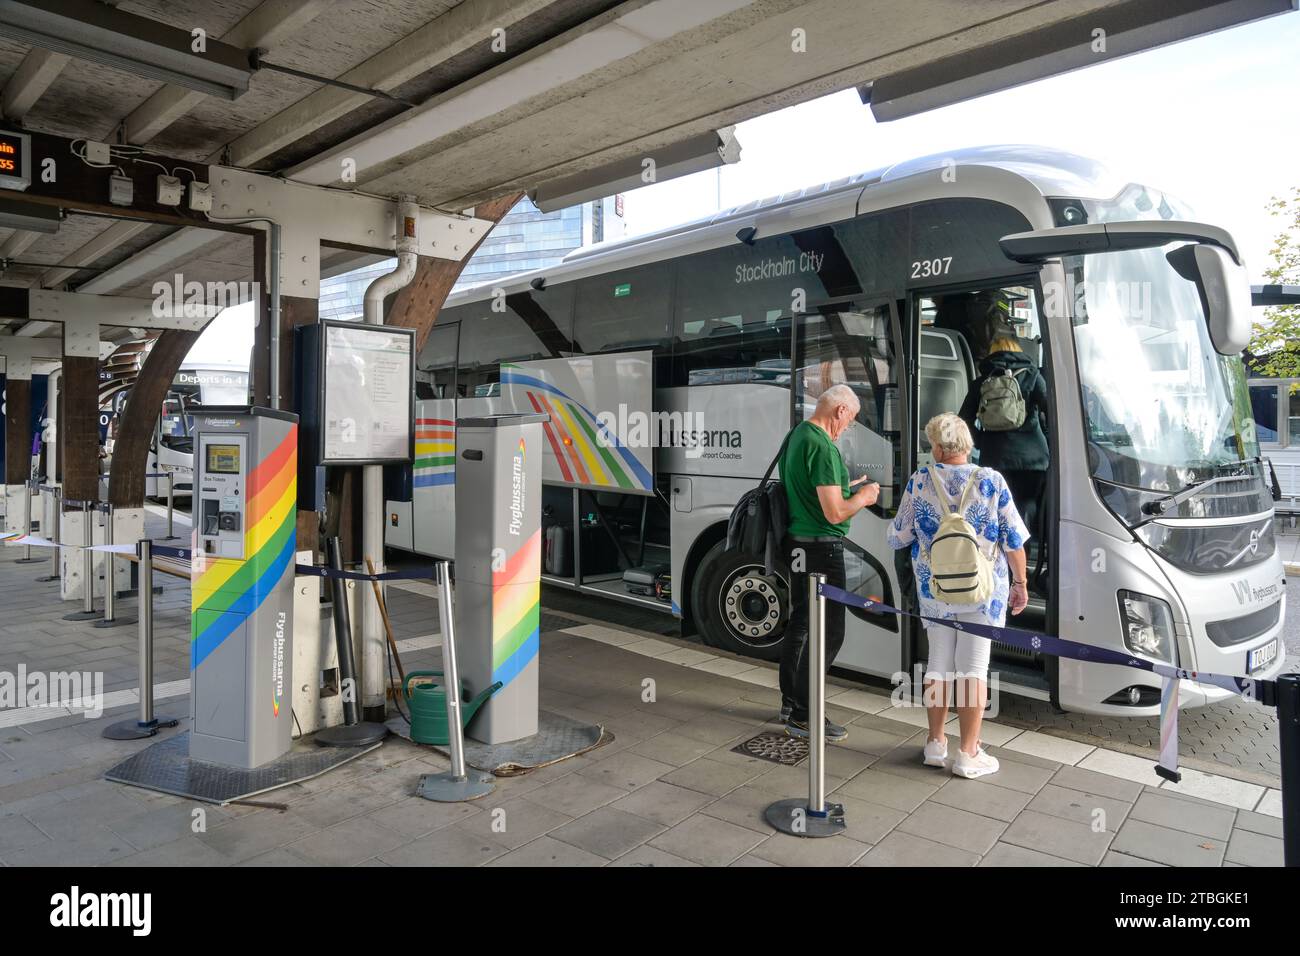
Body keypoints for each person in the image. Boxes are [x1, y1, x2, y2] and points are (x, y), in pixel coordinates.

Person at [888, 412, 1030, 779]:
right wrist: (1020, 584)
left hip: (935, 590)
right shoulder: (991, 480)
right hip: (982, 593)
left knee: (938, 663)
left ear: (936, 446)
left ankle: (936, 744)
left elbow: (898, 537)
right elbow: (1014, 541)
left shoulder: (921, 480)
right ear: (967, 443)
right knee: (973, 669)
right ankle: (969, 752)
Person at [779, 384, 880, 741]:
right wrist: (865, 497)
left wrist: (844, 484)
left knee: (801, 626)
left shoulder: (798, 435)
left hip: (799, 545)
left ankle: (791, 704)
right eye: (850, 420)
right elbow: (834, 512)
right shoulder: (823, 446)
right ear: (839, 411)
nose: (848, 427)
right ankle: (806, 717)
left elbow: (810, 490)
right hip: (822, 550)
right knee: (828, 633)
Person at [958, 335, 1050, 546]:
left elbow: (963, 419)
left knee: (998, 509)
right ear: (1017, 350)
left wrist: (980, 441)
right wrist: (1047, 441)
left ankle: (1001, 565)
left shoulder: (982, 382)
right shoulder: (1033, 376)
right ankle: (1023, 561)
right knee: (1026, 507)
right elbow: (1051, 411)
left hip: (996, 456)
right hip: (1033, 458)